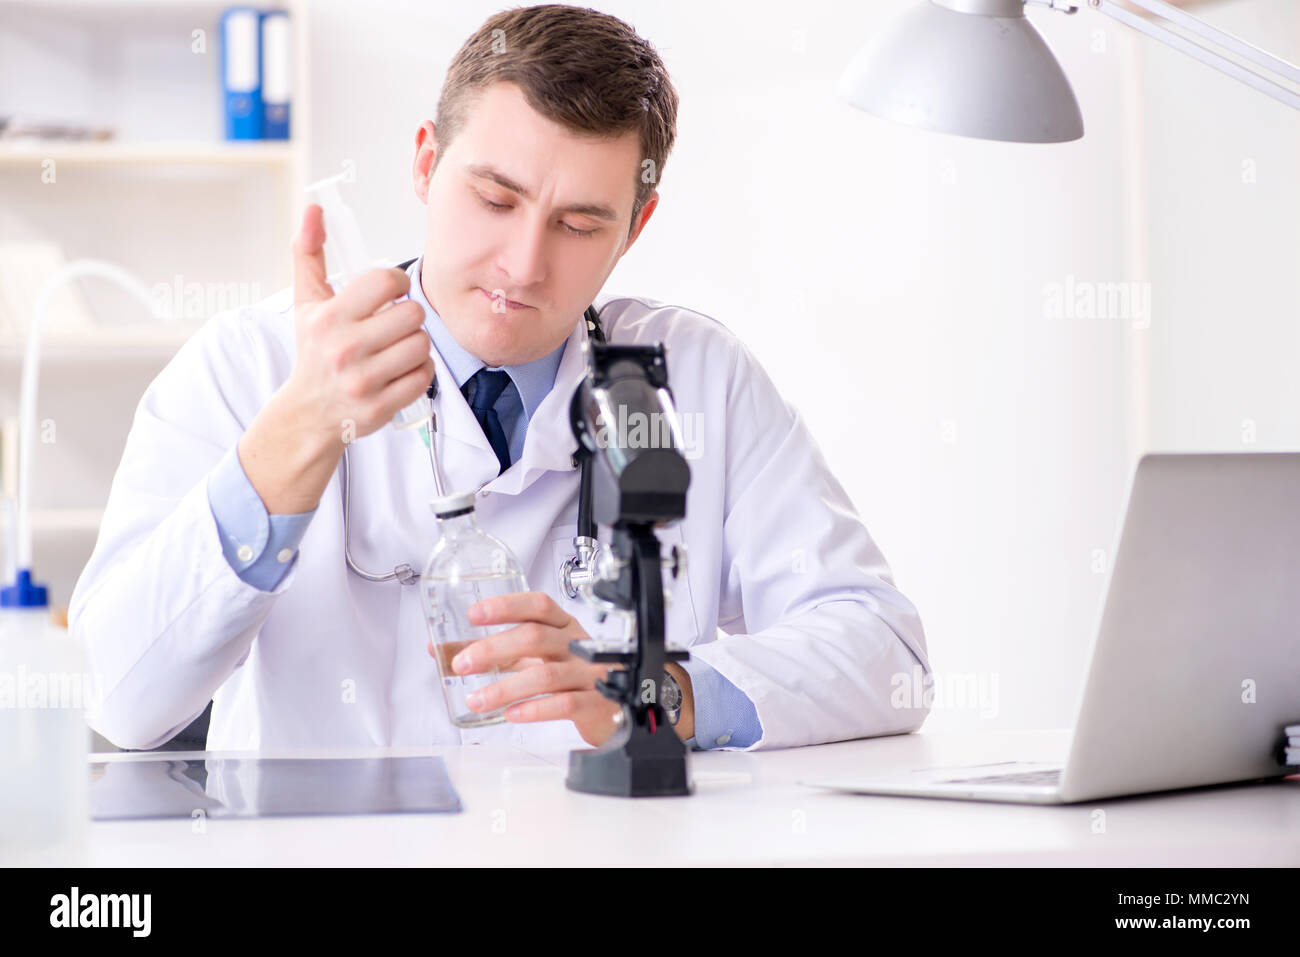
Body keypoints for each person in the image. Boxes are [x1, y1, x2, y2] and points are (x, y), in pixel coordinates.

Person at [69, 3, 931, 753]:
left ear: (635, 228)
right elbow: (123, 698)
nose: (523, 265)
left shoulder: (694, 381)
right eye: (494, 198)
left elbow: (885, 651)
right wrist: (293, 432)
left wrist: (651, 689)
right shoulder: (250, 365)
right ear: (423, 165)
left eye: (580, 223)